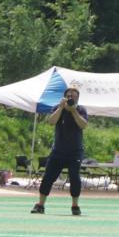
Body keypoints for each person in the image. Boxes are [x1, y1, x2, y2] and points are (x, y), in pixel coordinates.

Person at [34, 86, 87, 216]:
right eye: (69, 96)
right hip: (58, 151)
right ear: (64, 97)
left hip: (75, 152)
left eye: (74, 96)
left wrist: (74, 111)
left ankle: (75, 205)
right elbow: (51, 121)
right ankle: (40, 205)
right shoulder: (58, 108)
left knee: (75, 178)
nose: (71, 98)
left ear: (77, 99)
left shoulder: (80, 110)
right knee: (48, 177)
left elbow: (83, 125)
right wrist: (61, 107)